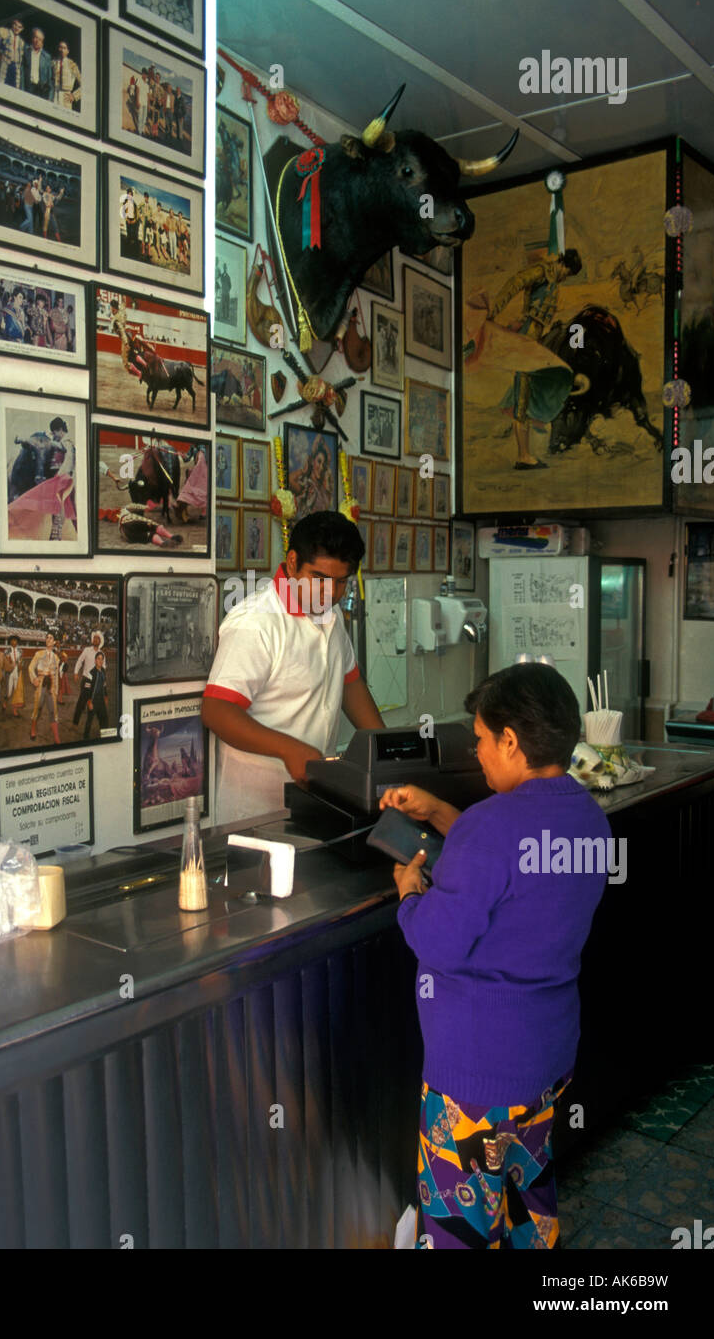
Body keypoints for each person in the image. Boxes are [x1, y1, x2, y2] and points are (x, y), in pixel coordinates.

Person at [381, 663, 611, 1250]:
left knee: (461, 1226)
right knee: (526, 1206)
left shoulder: (490, 827)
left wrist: (409, 895)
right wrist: (439, 812)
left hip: (474, 1078)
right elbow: (520, 862)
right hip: (546, 1059)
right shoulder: (589, 819)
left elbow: (438, 940)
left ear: (510, 740)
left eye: (482, 738)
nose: (478, 751)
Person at [202, 511, 384, 824]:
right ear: (292, 563)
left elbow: (350, 684)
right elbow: (217, 710)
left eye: (341, 581)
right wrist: (289, 749)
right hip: (256, 808)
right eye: (320, 578)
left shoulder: (332, 616)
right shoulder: (256, 623)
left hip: (315, 796)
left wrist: (388, 751)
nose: (331, 593)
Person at [487, 248, 583, 469]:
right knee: (522, 397)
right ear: (564, 265)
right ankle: (523, 456)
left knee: (528, 394)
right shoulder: (541, 271)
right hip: (526, 341)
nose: (565, 278)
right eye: (567, 273)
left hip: (533, 341)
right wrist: (494, 311)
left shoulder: (552, 279)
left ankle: (525, 453)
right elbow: (515, 282)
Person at [28, 632, 60, 744]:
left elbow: (56, 676)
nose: (48, 639)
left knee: (52, 710)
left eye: (51, 638)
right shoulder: (39, 654)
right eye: (47, 637)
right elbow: (30, 667)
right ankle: (33, 729)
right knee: (38, 708)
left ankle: (56, 737)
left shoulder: (56, 658)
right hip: (41, 684)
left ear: (54, 642)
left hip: (51, 686)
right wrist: (34, 679)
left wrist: (56, 690)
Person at [73, 630, 104, 726]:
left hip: (96, 681)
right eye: (94, 638)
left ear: (100, 641)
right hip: (86, 679)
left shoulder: (102, 654)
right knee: (81, 702)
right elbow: (79, 661)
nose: (95, 639)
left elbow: (104, 668)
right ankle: (75, 722)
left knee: (95, 703)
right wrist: (76, 672)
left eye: (97, 638)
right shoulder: (86, 650)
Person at [82, 651, 108, 740]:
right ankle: (85, 737)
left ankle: (105, 737)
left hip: (101, 700)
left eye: (102, 659)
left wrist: (106, 696)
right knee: (89, 720)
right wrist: (89, 701)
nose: (100, 661)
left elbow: (104, 685)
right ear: (95, 660)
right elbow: (86, 689)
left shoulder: (103, 671)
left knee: (104, 719)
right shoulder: (91, 673)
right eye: (98, 659)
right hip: (93, 700)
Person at [52, 41, 82, 111]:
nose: (62, 50)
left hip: (66, 97)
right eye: (60, 47)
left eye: (64, 48)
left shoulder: (72, 65)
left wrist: (74, 96)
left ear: (68, 51)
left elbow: (84, 85)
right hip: (54, 95)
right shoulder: (53, 62)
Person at [24, 27, 52, 100]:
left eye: (40, 39)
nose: (37, 41)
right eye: (36, 37)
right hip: (27, 88)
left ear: (42, 42)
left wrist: (49, 96)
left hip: (40, 91)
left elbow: (49, 79)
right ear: (32, 38)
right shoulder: (26, 51)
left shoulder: (47, 57)